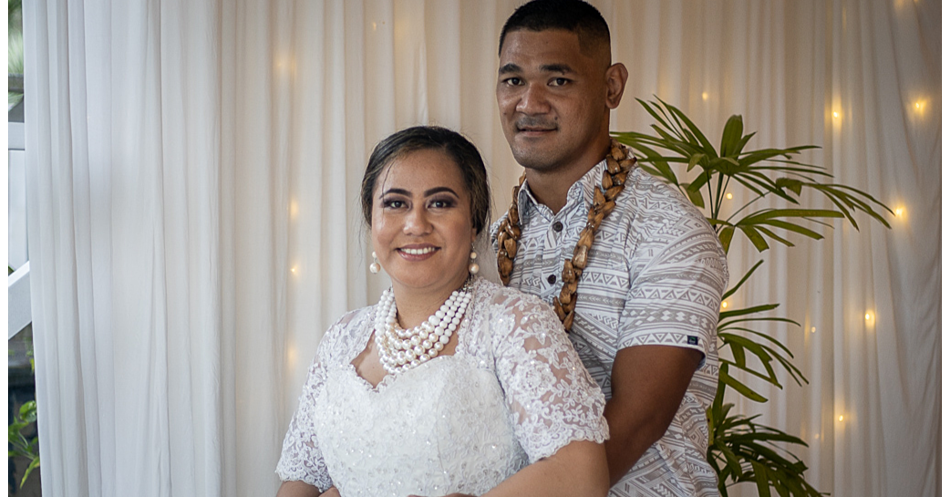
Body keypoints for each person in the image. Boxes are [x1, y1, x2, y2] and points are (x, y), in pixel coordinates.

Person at [275, 126, 611, 497]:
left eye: (440, 203)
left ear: (474, 222)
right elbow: (301, 479)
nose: (416, 224)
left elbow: (581, 473)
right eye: (395, 203)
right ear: (372, 221)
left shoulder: (514, 323)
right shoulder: (343, 337)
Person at [491, 1, 729, 496]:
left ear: (612, 86)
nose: (529, 103)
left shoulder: (669, 233)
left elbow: (634, 426)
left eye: (557, 80)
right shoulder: (492, 239)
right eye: (513, 80)